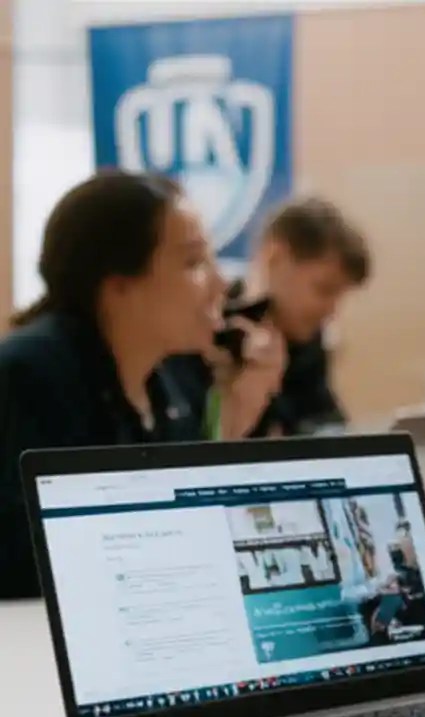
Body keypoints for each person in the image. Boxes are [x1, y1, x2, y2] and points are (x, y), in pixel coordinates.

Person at [0, 172, 285, 599]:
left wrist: (239, 408)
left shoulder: (172, 379)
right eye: (193, 263)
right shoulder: (29, 373)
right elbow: (26, 560)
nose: (220, 284)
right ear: (118, 286)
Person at [228, 197, 371, 436]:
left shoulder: (308, 343)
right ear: (275, 259)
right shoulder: (211, 334)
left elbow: (326, 422)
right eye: (323, 289)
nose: (331, 311)